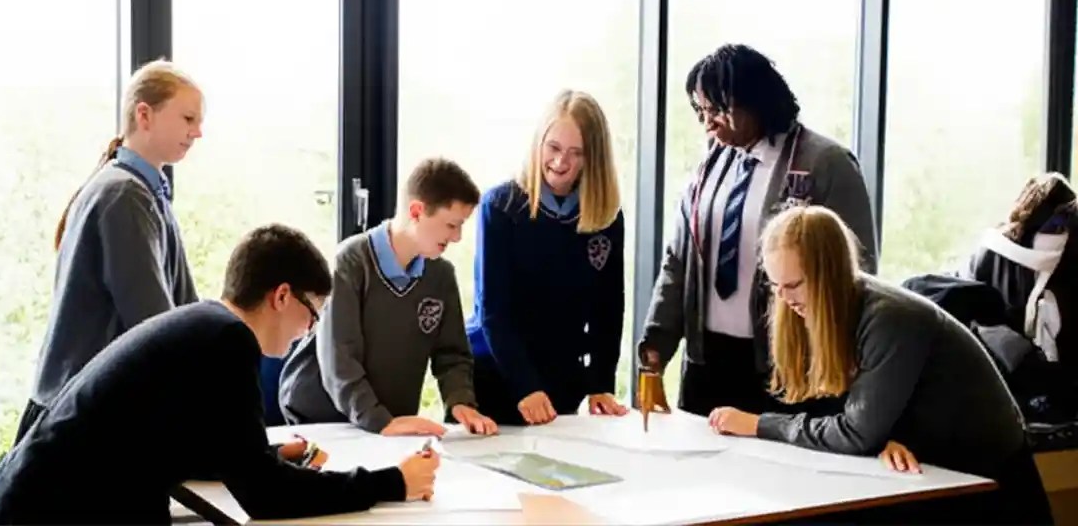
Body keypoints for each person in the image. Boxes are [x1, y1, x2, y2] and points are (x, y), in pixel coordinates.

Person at [0, 224, 439, 524]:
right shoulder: (228, 342)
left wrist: (268, 455)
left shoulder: (202, 324)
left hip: (34, 504)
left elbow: (172, 447)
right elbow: (265, 498)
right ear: (282, 296)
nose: (308, 333)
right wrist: (392, 482)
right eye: (311, 315)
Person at [708, 206, 1052, 525]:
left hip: (988, 482)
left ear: (829, 274)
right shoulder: (817, 310)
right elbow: (848, 419)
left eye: (794, 285)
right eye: (775, 285)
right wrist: (875, 435)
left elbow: (855, 433)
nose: (783, 299)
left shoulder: (890, 320)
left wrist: (759, 425)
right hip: (930, 469)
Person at [639, 44, 877, 417]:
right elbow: (679, 260)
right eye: (700, 111)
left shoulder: (826, 163)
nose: (707, 123)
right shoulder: (710, 162)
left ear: (754, 100)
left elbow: (858, 272)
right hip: (709, 361)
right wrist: (656, 342)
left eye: (716, 110)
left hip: (790, 362)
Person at [14, 58, 203, 444]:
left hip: (79, 412)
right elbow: (153, 325)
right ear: (144, 115)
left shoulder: (134, 189)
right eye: (187, 119)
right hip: (81, 424)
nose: (197, 132)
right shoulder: (125, 195)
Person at [279, 157, 498, 436]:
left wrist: (460, 401)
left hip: (385, 422)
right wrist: (380, 421)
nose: (457, 237)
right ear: (417, 211)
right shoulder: (350, 262)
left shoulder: (441, 275)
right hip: (324, 419)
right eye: (451, 225)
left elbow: (451, 354)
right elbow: (339, 360)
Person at [466, 90, 628, 426]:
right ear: (539, 143)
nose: (560, 163)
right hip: (496, 375)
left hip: (562, 380)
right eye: (553, 148)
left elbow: (608, 309)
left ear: (593, 158)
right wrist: (525, 386)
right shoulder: (501, 206)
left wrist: (600, 384)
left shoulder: (606, 217)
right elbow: (493, 312)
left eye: (576, 153)